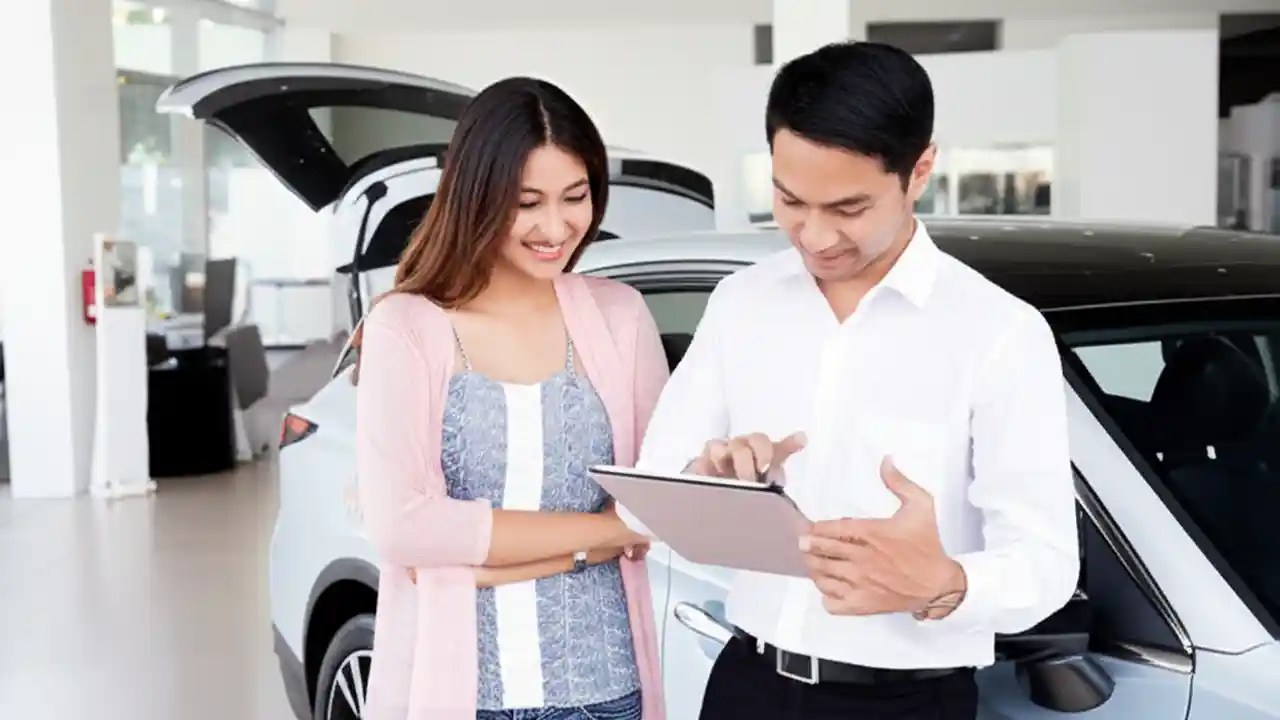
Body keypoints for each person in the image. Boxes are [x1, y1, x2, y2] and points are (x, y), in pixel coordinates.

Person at [630, 42, 1079, 720]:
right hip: (746, 684)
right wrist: (707, 482)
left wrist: (944, 582)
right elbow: (648, 497)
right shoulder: (740, 301)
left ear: (920, 169)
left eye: (848, 208)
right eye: (789, 200)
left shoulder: (999, 333)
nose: (813, 236)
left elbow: (1046, 562)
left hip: (904, 702)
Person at [353, 76, 670, 720]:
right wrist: (602, 534)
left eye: (575, 197)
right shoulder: (407, 326)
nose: (556, 227)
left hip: (606, 691)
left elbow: (658, 504)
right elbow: (404, 527)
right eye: (527, 202)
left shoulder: (621, 316)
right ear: (478, 197)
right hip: (462, 697)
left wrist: (483, 564)